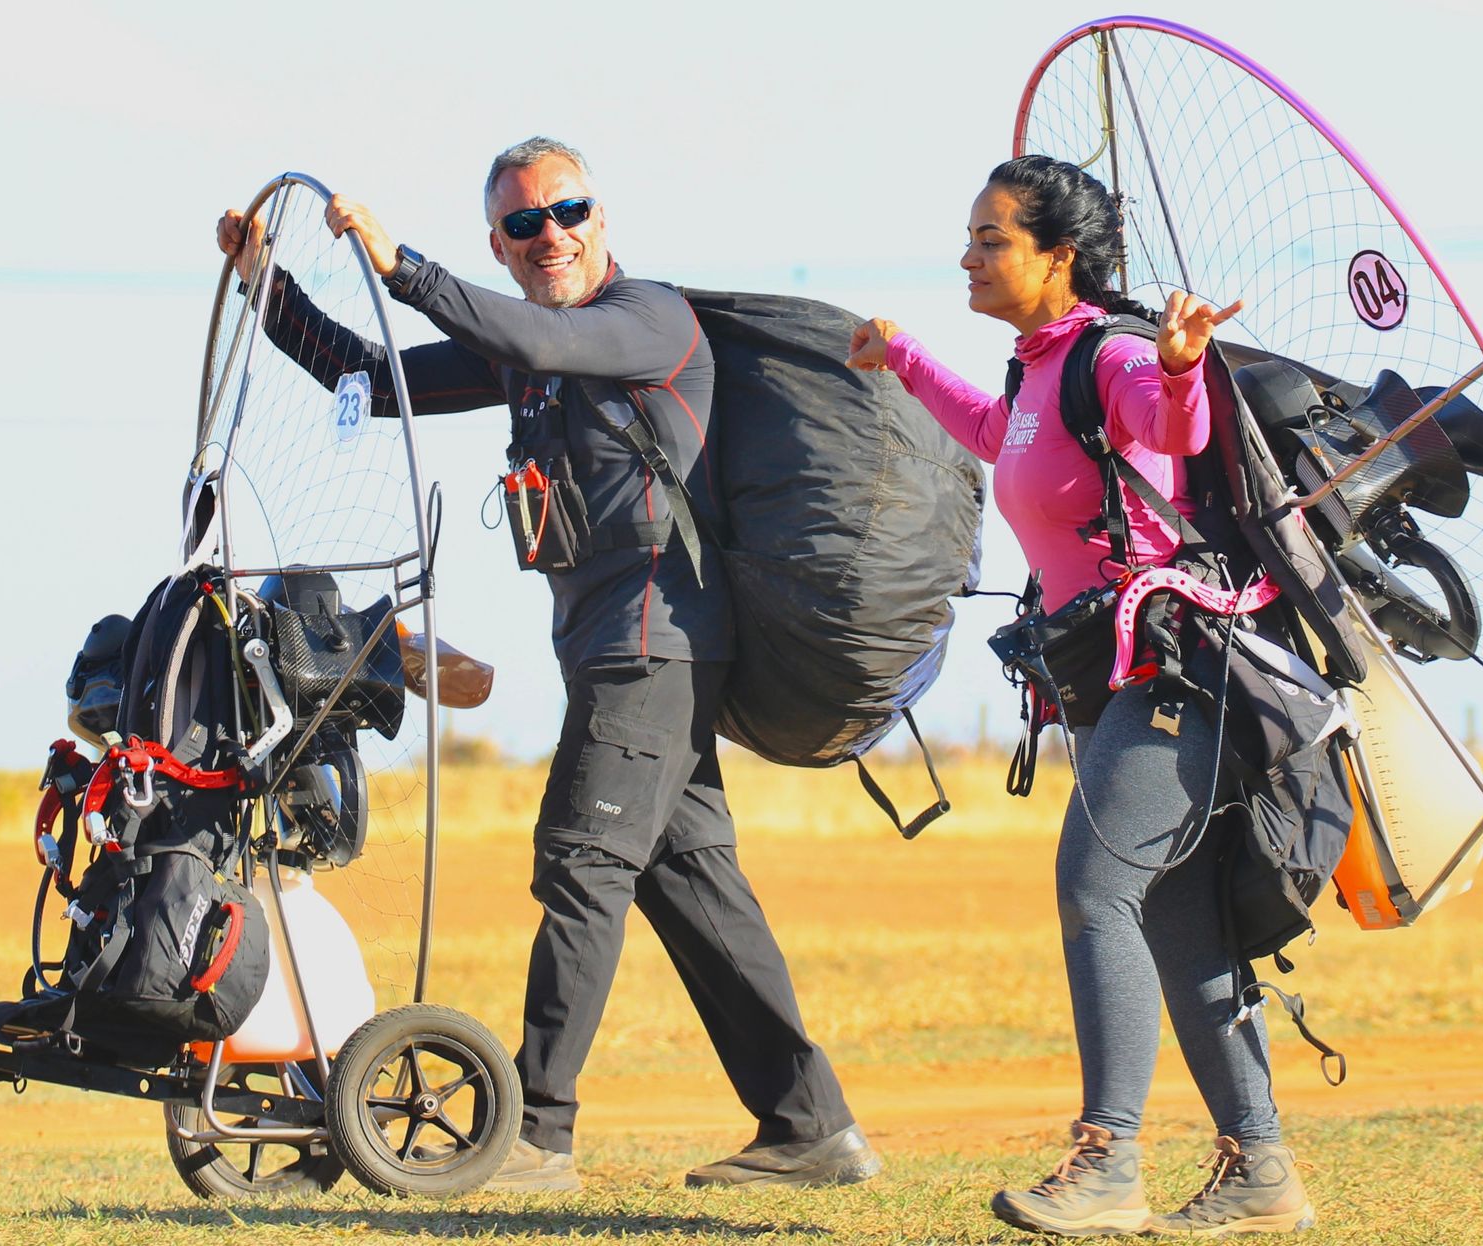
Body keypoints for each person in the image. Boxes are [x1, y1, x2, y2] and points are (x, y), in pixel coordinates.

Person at [214, 137, 879, 1193]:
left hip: (653, 645)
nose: (549, 235)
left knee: (579, 864)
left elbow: (524, 330)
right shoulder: (523, 351)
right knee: (690, 881)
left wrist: (405, 268)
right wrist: (267, 282)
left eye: (565, 211)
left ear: (600, 219)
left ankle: (537, 1133)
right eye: (523, 224)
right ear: (502, 241)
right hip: (617, 652)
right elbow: (367, 376)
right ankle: (810, 1124)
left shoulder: (646, 320)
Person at [847, 154, 1316, 1236]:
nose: (969, 255)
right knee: (1173, 918)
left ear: (1060, 257)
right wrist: (902, 357)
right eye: (969, 237)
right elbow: (989, 435)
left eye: (991, 239)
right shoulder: (1032, 374)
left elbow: (1170, 428)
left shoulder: (1107, 355)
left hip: (1179, 672)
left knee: (1095, 883)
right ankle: (1261, 1170)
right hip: (1111, 683)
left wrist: (1183, 362)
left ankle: (1108, 1160)